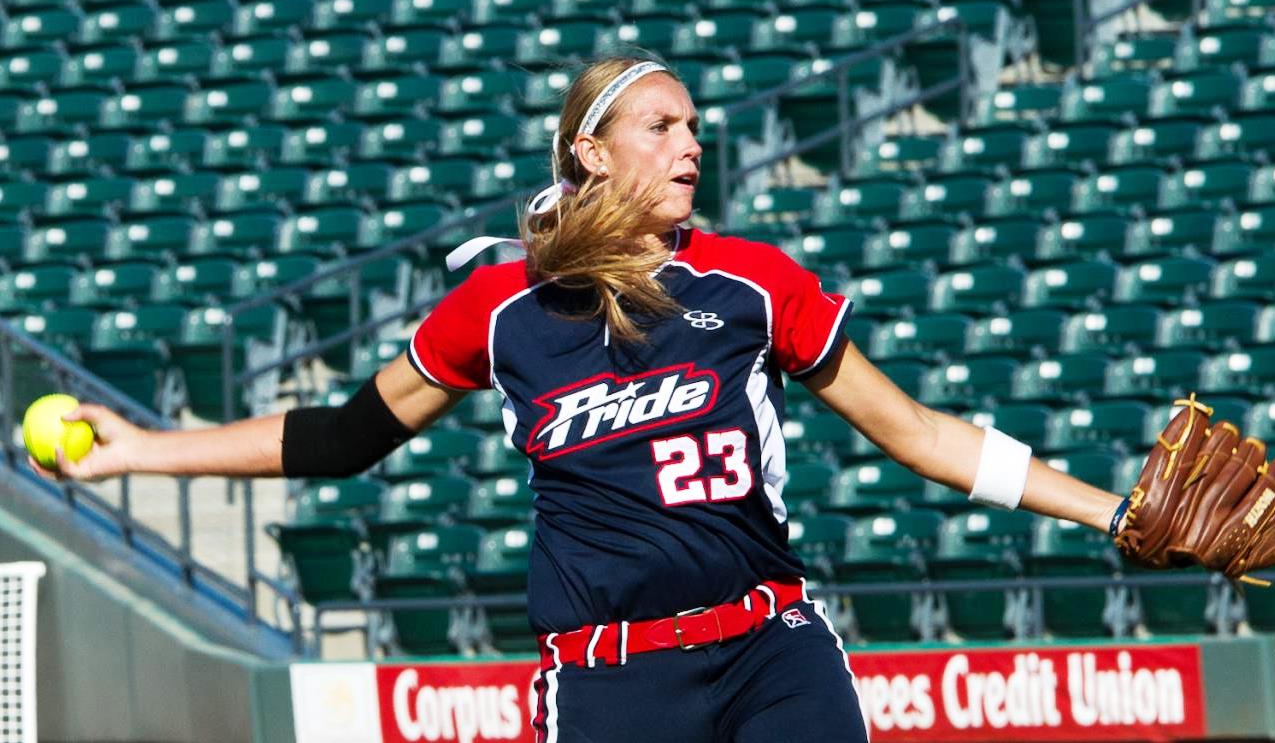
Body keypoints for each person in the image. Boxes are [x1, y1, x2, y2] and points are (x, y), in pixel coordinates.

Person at [32, 56, 1130, 743]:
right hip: (614, 683)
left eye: (695, 125)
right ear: (589, 153)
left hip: (773, 652)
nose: (692, 141)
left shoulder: (750, 281)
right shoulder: (500, 307)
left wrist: (1113, 513)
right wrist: (141, 450)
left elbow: (921, 433)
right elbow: (341, 435)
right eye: (662, 124)